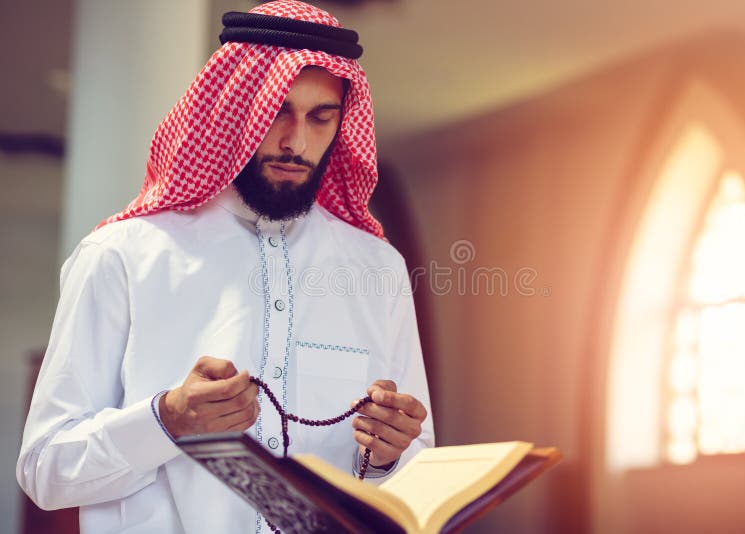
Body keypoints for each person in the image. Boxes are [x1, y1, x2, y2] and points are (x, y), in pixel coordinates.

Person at [16, 1, 434, 532]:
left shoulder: (377, 269)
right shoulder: (124, 255)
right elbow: (45, 471)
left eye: (321, 117)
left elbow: (414, 470)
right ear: (237, 110)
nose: (295, 141)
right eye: (277, 111)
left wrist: (391, 457)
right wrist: (166, 420)